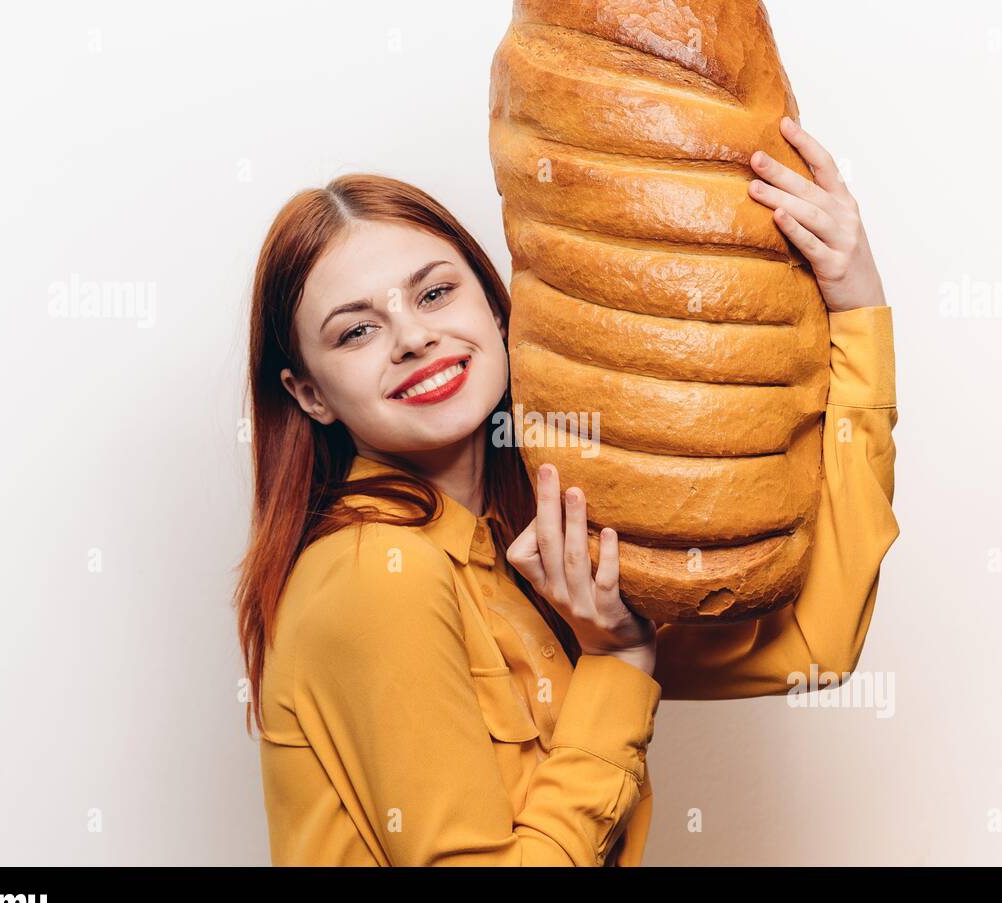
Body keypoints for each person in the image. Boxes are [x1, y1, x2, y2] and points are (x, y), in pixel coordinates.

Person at [235, 116, 899, 865]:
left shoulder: (532, 540)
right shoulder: (375, 574)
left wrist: (856, 307)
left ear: (495, 304)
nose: (412, 337)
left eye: (435, 293)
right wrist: (616, 660)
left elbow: (813, 645)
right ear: (310, 395)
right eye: (355, 332)